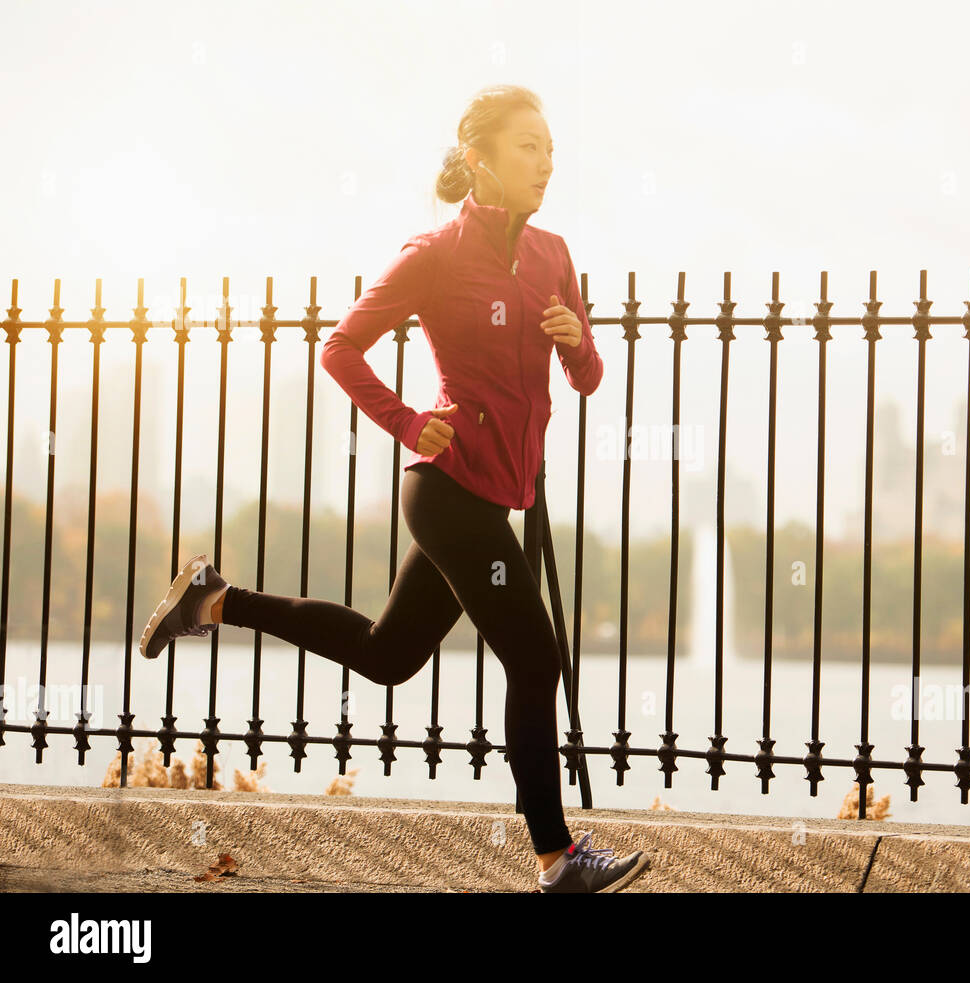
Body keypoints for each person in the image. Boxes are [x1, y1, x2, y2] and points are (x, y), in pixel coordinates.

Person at [137, 84, 651, 894]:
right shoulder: (434, 254)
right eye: (528, 147)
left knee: (387, 655)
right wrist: (409, 422)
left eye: (552, 149)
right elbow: (341, 348)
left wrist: (577, 341)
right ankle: (556, 859)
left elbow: (585, 377)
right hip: (446, 490)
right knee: (535, 654)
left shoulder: (553, 254)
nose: (546, 162)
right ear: (479, 160)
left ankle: (212, 599)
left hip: (492, 498)